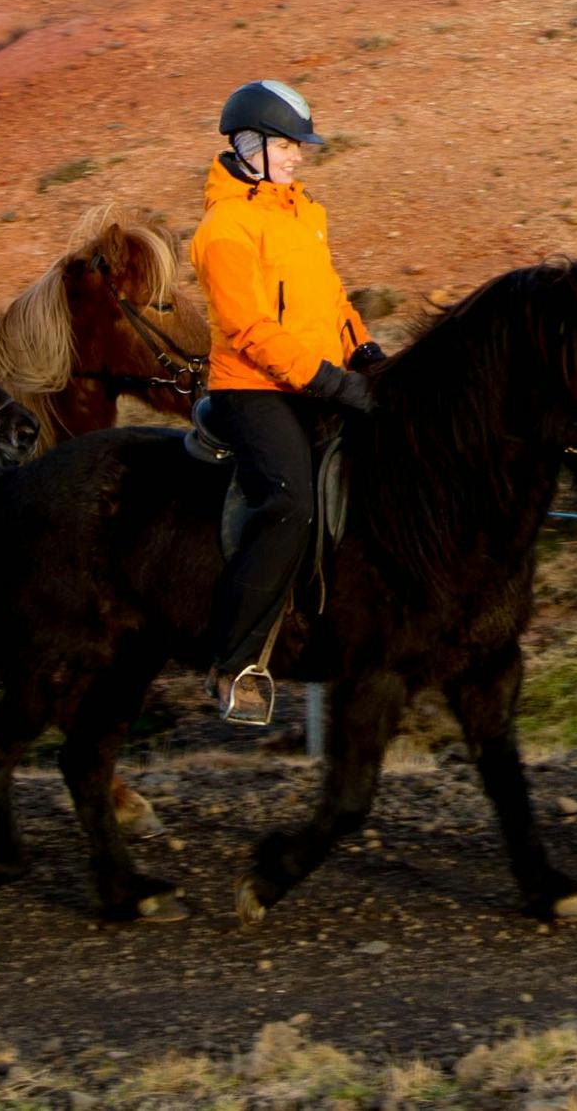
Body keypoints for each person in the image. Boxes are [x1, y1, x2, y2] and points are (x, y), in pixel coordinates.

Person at [191, 78, 377, 729]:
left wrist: (365, 353)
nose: (300, 156)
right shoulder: (224, 228)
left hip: (318, 374)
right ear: (251, 146)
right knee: (291, 502)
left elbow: (331, 301)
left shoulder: (305, 214)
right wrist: (328, 382)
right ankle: (234, 663)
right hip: (253, 388)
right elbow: (250, 329)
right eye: (290, 146)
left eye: (301, 146)